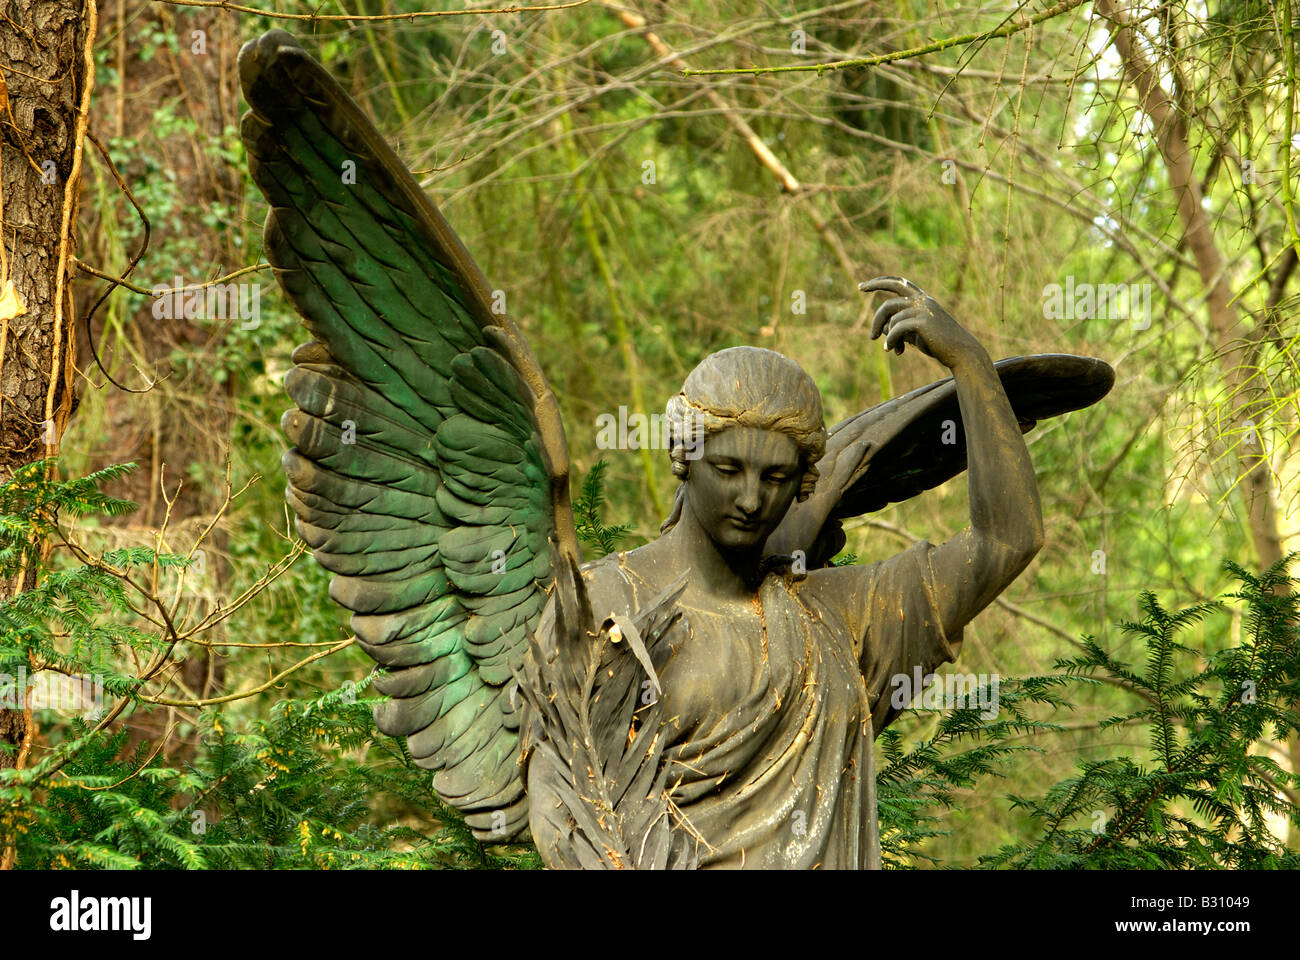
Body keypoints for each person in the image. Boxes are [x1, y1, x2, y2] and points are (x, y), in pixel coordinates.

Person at [525, 276, 1044, 868]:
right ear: (684, 459)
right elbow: (564, 807)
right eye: (727, 469)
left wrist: (970, 364)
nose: (750, 499)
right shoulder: (603, 603)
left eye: (775, 478)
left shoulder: (840, 616)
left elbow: (1007, 539)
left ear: (802, 483)